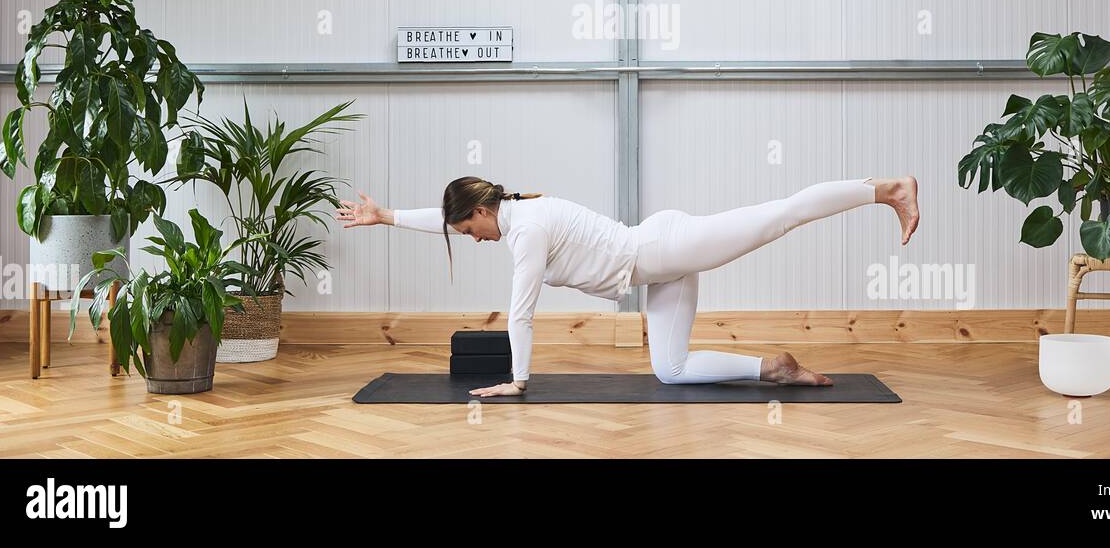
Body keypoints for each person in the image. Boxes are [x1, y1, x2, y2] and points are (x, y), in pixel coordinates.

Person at [337, 175, 919, 397]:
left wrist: (517, 381)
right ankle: (773, 369)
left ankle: (887, 189)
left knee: (776, 217)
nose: (470, 238)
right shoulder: (510, 216)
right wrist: (386, 216)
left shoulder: (527, 231)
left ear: (486, 211)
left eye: (469, 229)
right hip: (656, 272)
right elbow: (442, 218)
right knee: (670, 370)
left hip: (663, 249)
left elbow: (521, 312)